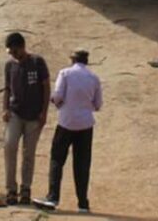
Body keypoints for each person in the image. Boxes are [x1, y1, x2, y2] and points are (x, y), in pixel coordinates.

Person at [34, 49, 102, 214]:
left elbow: (57, 96)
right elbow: (98, 104)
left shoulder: (65, 73)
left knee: (57, 159)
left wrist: (57, 103)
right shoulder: (94, 78)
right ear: (86, 61)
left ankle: (53, 197)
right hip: (85, 125)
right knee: (82, 164)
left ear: (72, 60)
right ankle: (83, 203)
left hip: (66, 122)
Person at [2, 32, 50, 205]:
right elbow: (7, 88)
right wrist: (5, 108)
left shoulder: (37, 63)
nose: (13, 55)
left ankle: (25, 188)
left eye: (15, 51)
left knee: (28, 153)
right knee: (10, 146)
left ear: (22, 47)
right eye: (11, 52)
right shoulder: (9, 66)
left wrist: (44, 112)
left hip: (33, 116)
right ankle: (11, 189)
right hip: (15, 113)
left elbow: (46, 87)